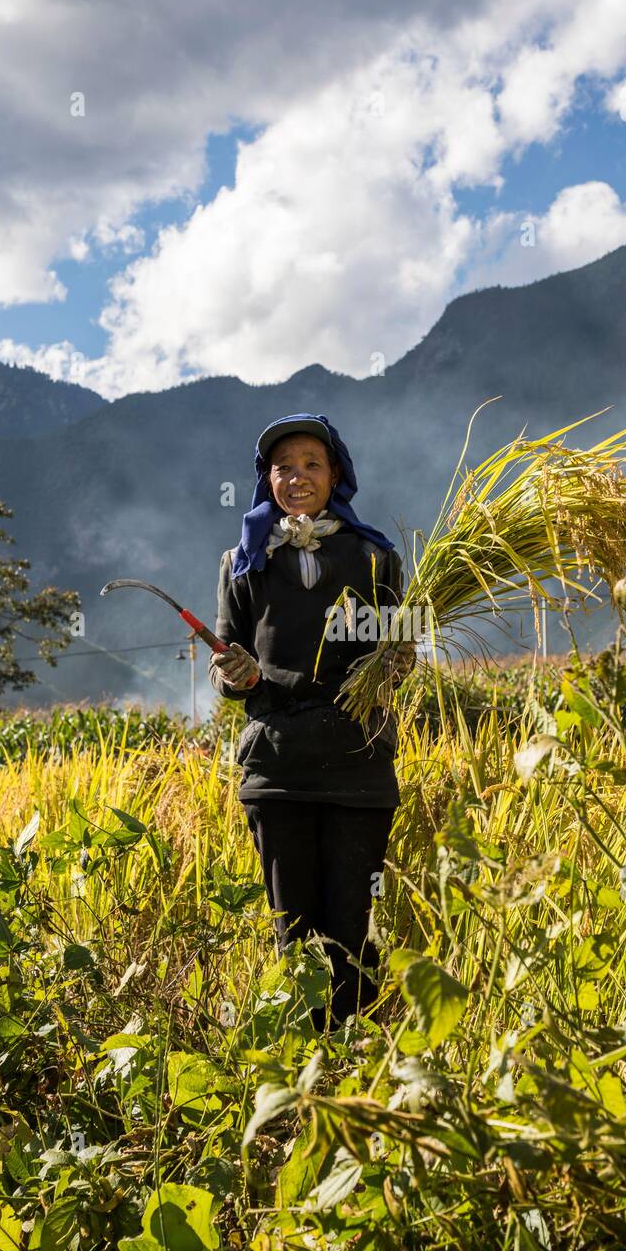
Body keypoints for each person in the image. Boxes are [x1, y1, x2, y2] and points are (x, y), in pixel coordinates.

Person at [208, 413, 415, 1029]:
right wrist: (236, 675)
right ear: (266, 480)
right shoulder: (243, 563)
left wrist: (396, 660)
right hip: (276, 766)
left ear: (336, 475)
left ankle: (357, 1064)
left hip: (359, 766)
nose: (296, 477)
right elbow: (225, 666)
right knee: (292, 932)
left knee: (353, 925)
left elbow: (399, 653)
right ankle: (302, 1065)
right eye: (283, 468)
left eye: (311, 465)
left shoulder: (376, 559)